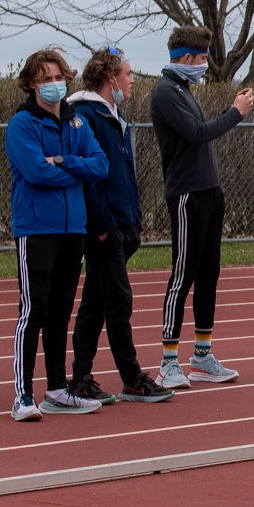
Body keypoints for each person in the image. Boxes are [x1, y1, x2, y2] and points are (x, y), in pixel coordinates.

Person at [67, 47, 176, 404]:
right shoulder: (85, 116)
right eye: (127, 73)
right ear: (110, 77)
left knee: (95, 304)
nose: (132, 80)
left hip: (122, 225)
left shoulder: (114, 114)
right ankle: (131, 378)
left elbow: (123, 173)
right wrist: (102, 226)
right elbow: (88, 179)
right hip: (103, 229)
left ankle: (81, 377)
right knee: (117, 301)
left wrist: (134, 220)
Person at [6, 48, 108, 421]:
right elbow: (36, 173)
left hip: (73, 230)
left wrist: (66, 162)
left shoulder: (77, 122)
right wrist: (75, 173)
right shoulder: (21, 125)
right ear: (32, 84)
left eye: (57, 77)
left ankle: (56, 389)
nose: (53, 84)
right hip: (36, 229)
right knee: (33, 310)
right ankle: (22, 396)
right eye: (45, 79)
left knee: (61, 312)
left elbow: (100, 165)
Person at [151, 25, 254, 388]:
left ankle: (202, 354)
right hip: (186, 194)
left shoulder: (184, 89)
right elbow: (197, 133)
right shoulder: (165, 91)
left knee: (209, 273)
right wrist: (235, 113)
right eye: (203, 58)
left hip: (209, 190)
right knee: (183, 275)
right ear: (187, 58)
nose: (206, 64)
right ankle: (167, 360)